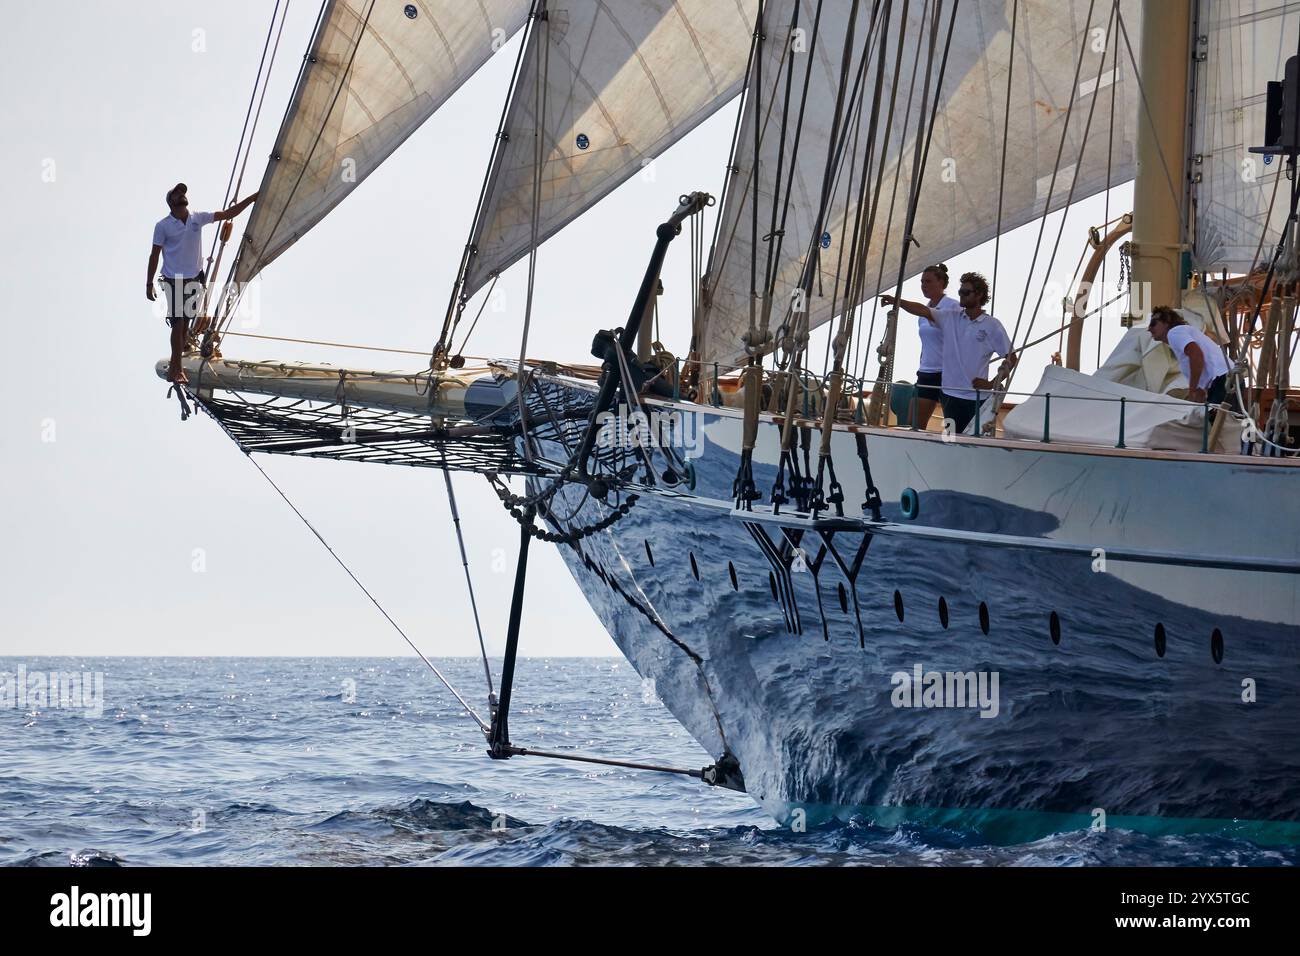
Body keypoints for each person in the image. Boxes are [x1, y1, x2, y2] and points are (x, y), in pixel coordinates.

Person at [147, 183, 257, 384]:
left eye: (183, 193)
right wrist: (149, 283)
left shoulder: (197, 217)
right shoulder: (163, 226)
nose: (182, 195)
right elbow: (154, 255)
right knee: (178, 323)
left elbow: (227, 213)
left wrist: (252, 199)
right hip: (174, 280)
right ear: (171, 202)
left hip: (196, 278)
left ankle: (178, 360)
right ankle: (176, 370)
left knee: (184, 326)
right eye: (177, 194)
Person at [884, 270, 1015, 434]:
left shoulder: (992, 325)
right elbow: (923, 310)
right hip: (951, 397)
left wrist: (991, 383)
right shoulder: (950, 318)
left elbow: (1011, 358)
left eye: (966, 292)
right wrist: (897, 301)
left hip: (977, 398)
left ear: (979, 294)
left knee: (975, 441)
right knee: (951, 439)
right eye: (960, 292)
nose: (961, 296)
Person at [878, 263, 953, 428]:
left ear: (941, 283)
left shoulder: (951, 307)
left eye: (928, 281)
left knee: (952, 425)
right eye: (922, 282)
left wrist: (896, 301)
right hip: (927, 372)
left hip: (948, 373)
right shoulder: (924, 309)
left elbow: (926, 313)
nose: (924, 286)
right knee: (913, 425)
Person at [1146, 305, 1230, 405]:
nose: (1149, 329)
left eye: (1153, 323)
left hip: (1222, 381)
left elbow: (1197, 355)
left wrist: (1192, 390)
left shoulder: (1174, 333)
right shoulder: (1181, 332)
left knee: (1214, 419)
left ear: (1167, 321)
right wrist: (1200, 388)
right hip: (1224, 380)